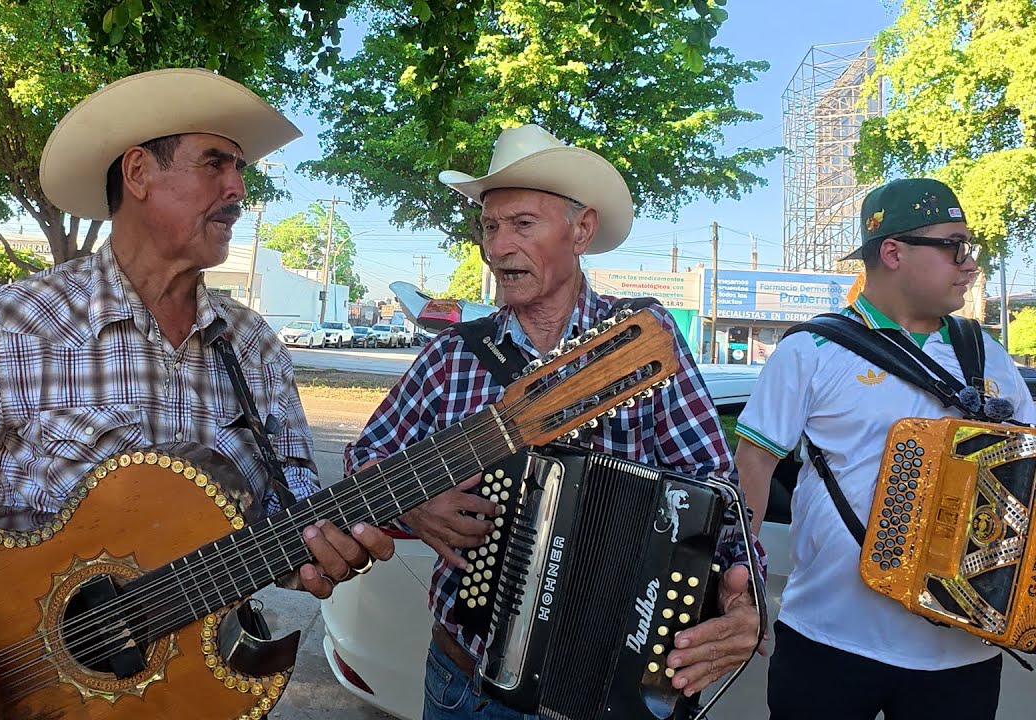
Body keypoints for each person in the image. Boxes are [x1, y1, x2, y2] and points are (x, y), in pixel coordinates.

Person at [0, 68, 393, 719]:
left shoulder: (255, 349)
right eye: (215, 163)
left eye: (240, 170)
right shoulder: (23, 326)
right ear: (138, 173)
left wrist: (324, 547)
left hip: (188, 694)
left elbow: (289, 512)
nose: (238, 190)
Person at [344, 124, 766, 720]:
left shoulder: (641, 341)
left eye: (522, 224)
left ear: (582, 230)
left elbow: (715, 485)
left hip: (606, 689)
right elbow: (365, 461)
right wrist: (412, 504)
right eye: (490, 227)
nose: (497, 247)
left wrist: (744, 601)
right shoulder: (453, 355)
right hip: (468, 683)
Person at [734, 177, 1036, 720]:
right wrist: (737, 571)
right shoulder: (812, 349)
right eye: (954, 246)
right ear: (893, 252)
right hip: (827, 639)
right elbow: (755, 462)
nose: (970, 265)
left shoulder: (985, 352)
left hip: (963, 646)